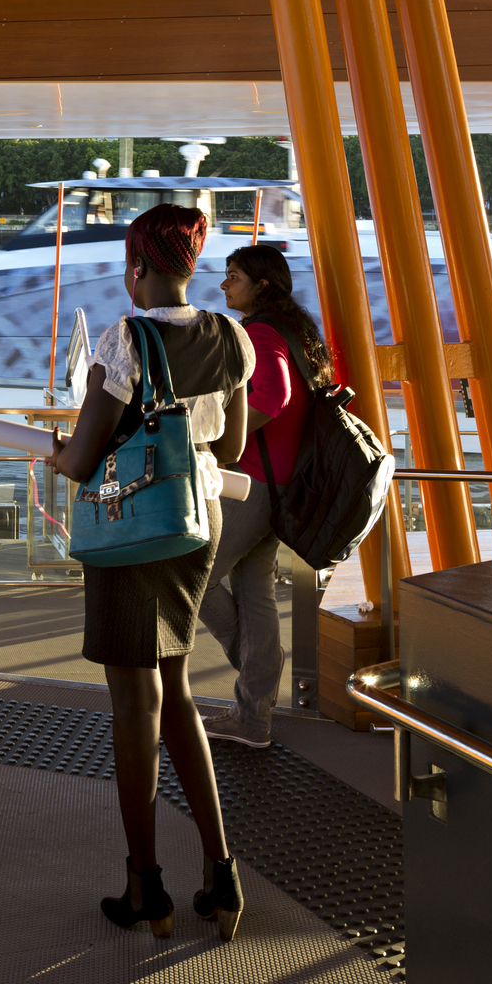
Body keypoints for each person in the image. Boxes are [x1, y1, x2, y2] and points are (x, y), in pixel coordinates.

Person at [50, 203, 253, 943]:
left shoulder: (125, 338)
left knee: (136, 703)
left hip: (133, 529)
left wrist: (59, 451)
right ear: (189, 266)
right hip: (197, 524)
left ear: (138, 267)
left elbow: (80, 460)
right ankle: (222, 872)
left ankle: (147, 884)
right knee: (178, 695)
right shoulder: (231, 336)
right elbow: (230, 447)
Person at [201, 244, 334, 748]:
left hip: (252, 484)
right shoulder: (296, 331)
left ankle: (258, 688)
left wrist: (216, 443)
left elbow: (272, 399)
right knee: (254, 594)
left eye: (233, 277)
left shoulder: (259, 331)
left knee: (194, 578)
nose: (223, 286)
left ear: (261, 284)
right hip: (280, 485)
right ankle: (253, 718)